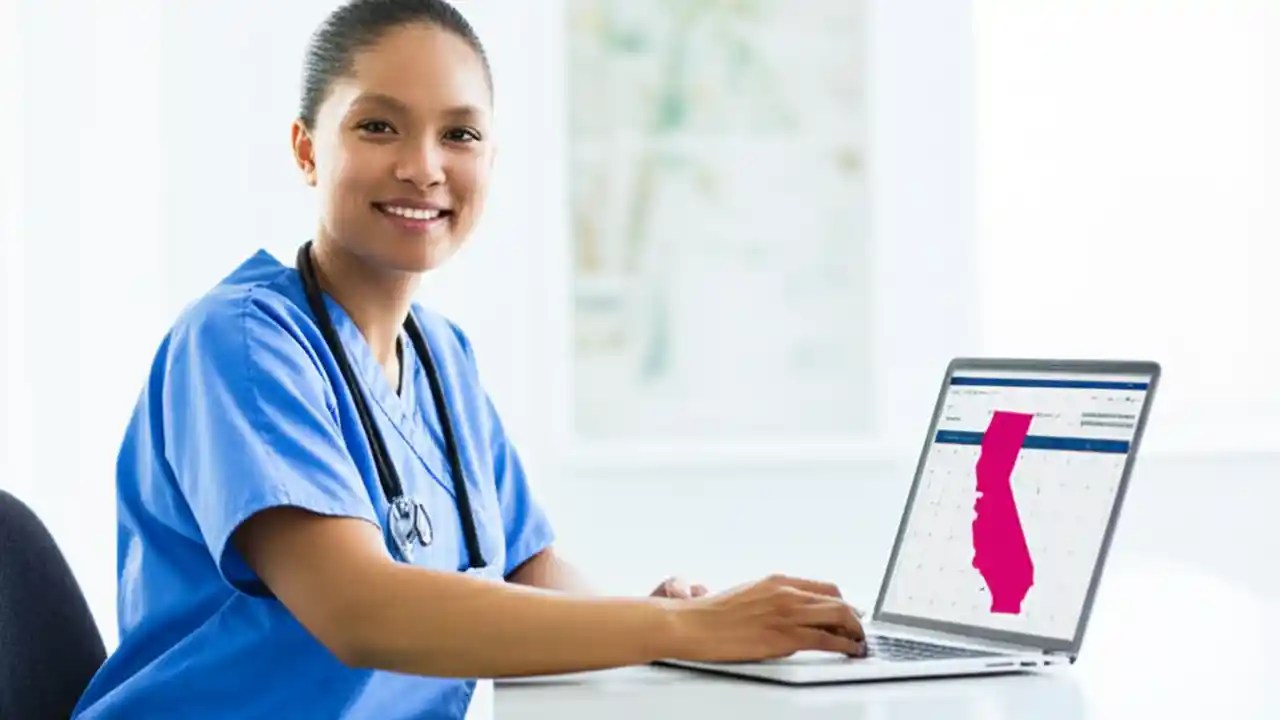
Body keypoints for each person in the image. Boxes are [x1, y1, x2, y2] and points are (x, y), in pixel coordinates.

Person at [71, 1, 865, 717]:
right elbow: (360, 611)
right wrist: (676, 625)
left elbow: (526, 567)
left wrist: (667, 628)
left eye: (461, 133)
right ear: (306, 150)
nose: (425, 166)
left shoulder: (443, 359)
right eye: (378, 126)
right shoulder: (240, 342)